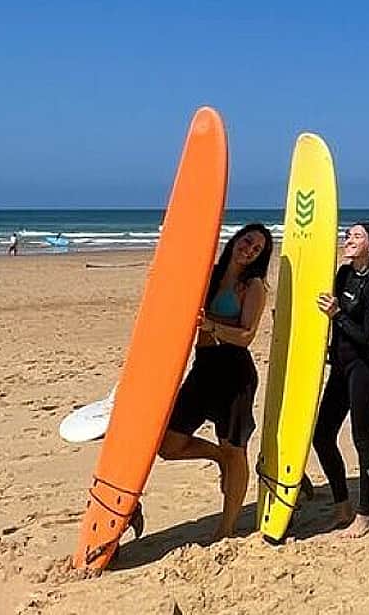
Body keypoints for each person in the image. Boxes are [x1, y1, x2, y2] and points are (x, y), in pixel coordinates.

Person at [159, 223, 273, 541]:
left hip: (234, 373)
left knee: (235, 448)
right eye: (247, 241)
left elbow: (247, 336)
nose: (249, 249)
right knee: (168, 445)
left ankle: (227, 527)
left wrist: (210, 323)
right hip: (203, 368)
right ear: (235, 239)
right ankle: (219, 456)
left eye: (257, 249)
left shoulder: (253, 286)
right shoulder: (209, 274)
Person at [308, 222, 369, 538]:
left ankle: (364, 516)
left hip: (364, 369)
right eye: (348, 235)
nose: (349, 239)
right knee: (322, 436)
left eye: (357, 236)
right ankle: (342, 507)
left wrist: (338, 314)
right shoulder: (343, 274)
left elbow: (368, 337)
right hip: (339, 367)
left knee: (362, 439)